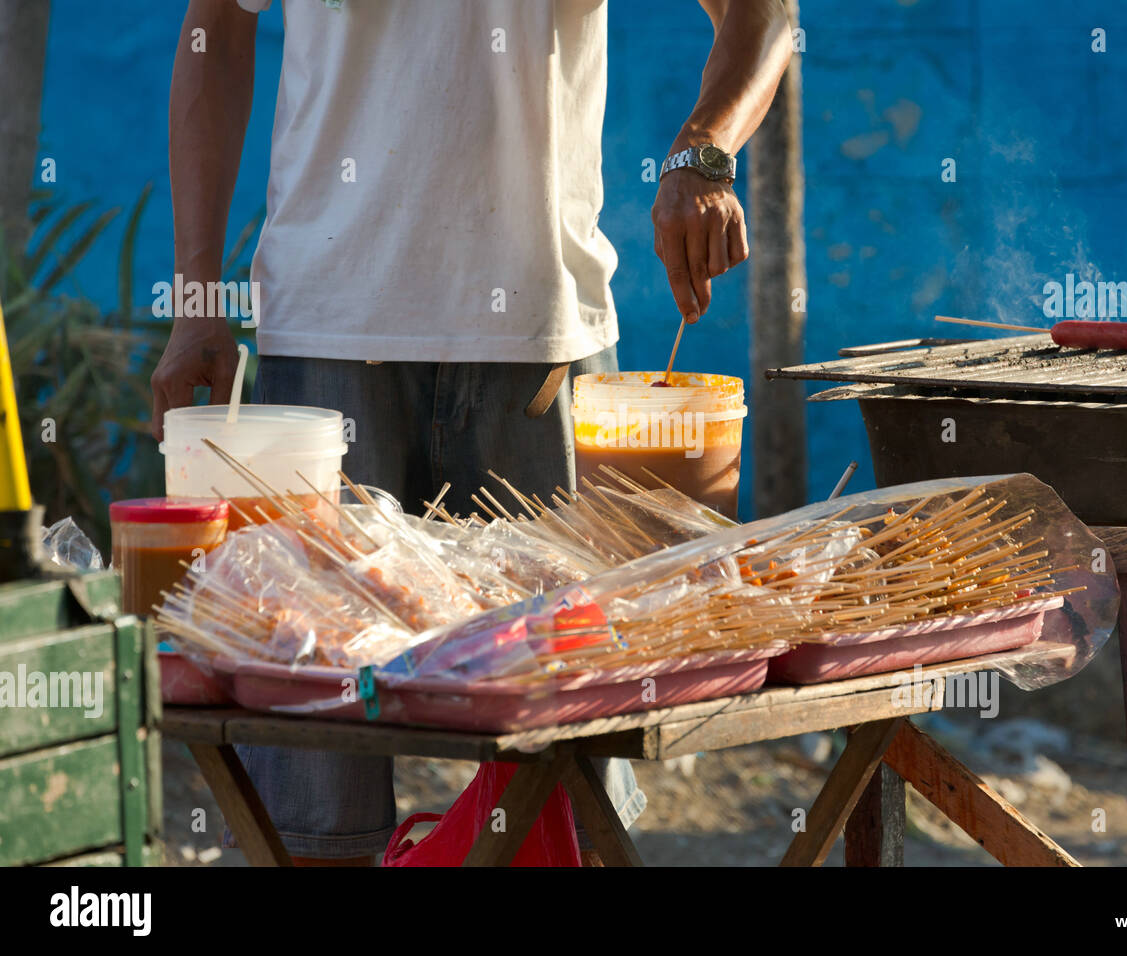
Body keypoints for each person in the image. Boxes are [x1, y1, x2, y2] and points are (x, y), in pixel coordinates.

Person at [151, 0, 792, 865]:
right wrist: (196, 298)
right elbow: (216, 30)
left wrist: (704, 151)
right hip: (327, 340)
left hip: (543, 348)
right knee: (305, 798)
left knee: (563, 794)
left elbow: (764, 12)